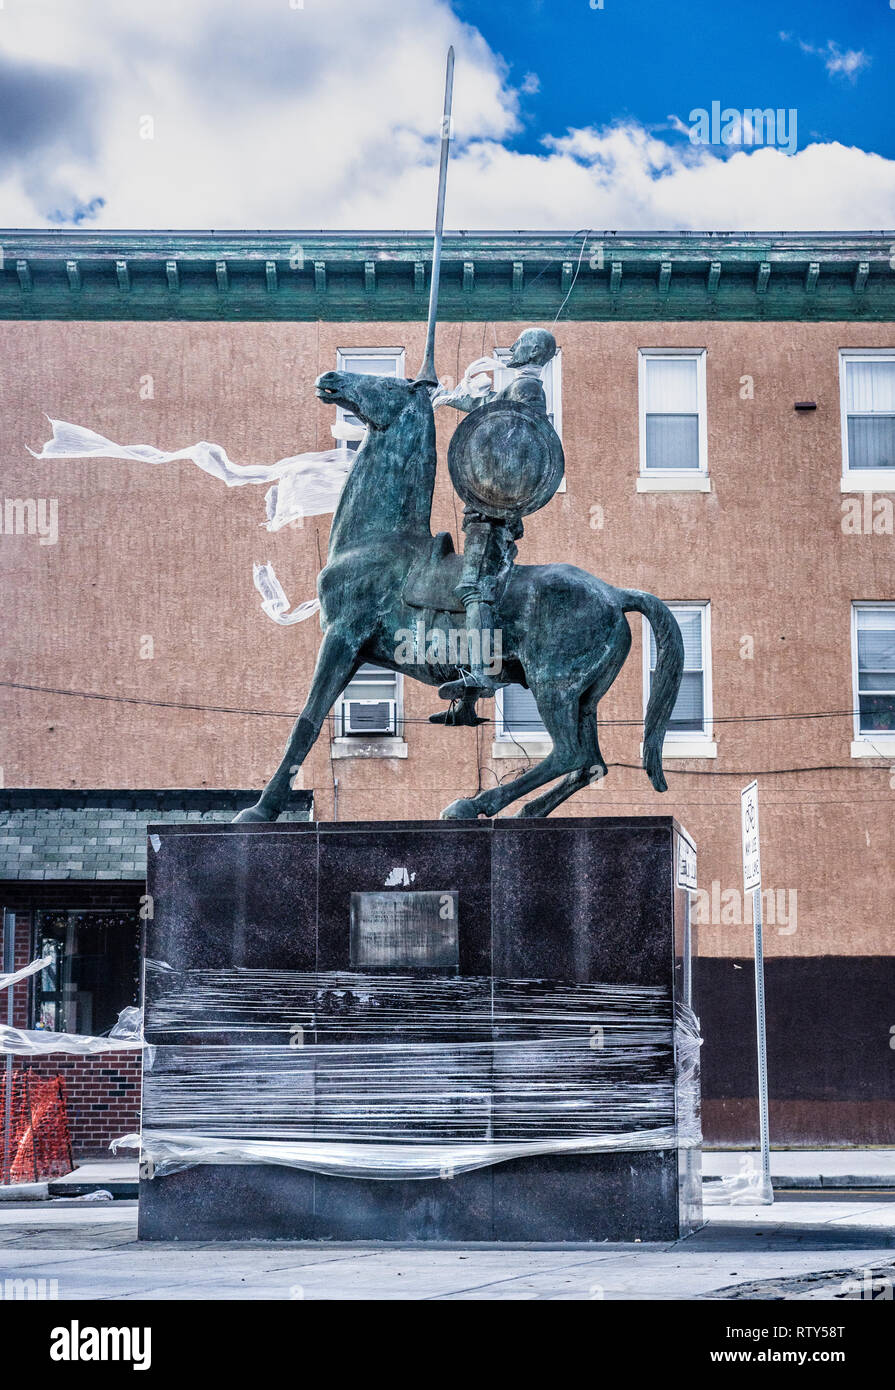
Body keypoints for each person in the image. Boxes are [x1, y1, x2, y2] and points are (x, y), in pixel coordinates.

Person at [432, 327, 559, 708]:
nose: (514, 347)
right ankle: (468, 695)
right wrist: (446, 397)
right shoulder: (517, 388)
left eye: (520, 342)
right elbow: (484, 406)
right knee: (477, 589)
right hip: (491, 508)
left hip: (492, 511)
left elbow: (519, 444)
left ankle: (481, 672)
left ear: (532, 350)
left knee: (475, 588)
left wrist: (493, 488)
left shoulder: (527, 390)